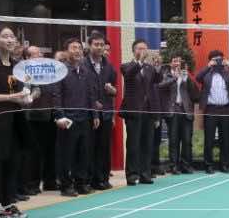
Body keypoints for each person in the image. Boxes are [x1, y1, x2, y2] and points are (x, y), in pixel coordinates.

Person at [0, 26, 30, 218]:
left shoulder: (16, 65)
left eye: (12, 37)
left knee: (13, 162)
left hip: (14, 120)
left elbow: (16, 92)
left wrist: (25, 97)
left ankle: (8, 203)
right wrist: (12, 98)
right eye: (5, 37)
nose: (10, 40)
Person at [53, 38, 99, 197]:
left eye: (79, 48)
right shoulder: (60, 71)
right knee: (67, 154)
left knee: (83, 153)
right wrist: (60, 116)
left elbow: (91, 94)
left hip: (85, 118)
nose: (78, 51)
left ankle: (81, 183)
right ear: (66, 52)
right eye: (73, 48)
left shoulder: (86, 71)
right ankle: (66, 185)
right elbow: (56, 95)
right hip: (68, 119)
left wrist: (94, 114)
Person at [120, 39, 160, 185]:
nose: (143, 51)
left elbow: (157, 82)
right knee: (133, 145)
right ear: (134, 51)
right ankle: (132, 174)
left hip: (148, 112)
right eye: (140, 48)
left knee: (147, 144)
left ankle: (145, 173)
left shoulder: (149, 68)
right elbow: (129, 74)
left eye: (145, 49)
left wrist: (157, 66)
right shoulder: (126, 66)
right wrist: (140, 62)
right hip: (133, 111)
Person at [21, 45, 58, 194]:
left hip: (50, 115)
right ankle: (32, 184)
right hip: (33, 117)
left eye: (40, 53)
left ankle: (50, 181)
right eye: (36, 54)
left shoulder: (48, 72)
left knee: (51, 150)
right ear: (27, 58)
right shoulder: (24, 72)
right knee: (35, 152)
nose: (40, 55)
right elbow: (28, 93)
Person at [83, 31, 117, 191]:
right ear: (89, 46)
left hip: (106, 113)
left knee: (104, 147)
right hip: (89, 114)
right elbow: (81, 90)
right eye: (96, 44)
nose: (99, 47)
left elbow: (115, 90)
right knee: (89, 147)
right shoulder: (83, 65)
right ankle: (89, 180)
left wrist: (112, 90)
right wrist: (92, 103)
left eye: (101, 45)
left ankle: (102, 178)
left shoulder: (108, 66)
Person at [158, 56, 199, 174]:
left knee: (187, 140)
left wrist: (188, 79)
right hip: (173, 110)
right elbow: (161, 86)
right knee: (174, 140)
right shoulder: (166, 75)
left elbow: (196, 94)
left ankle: (186, 165)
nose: (177, 63)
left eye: (179, 61)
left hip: (186, 111)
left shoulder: (186, 75)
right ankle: (173, 166)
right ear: (170, 63)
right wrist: (174, 78)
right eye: (175, 61)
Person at [197, 50, 229, 174]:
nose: (218, 62)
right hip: (211, 109)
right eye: (215, 60)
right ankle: (208, 165)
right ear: (211, 60)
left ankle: (225, 165)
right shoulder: (207, 74)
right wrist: (208, 66)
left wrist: (228, 65)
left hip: (225, 109)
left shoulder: (227, 73)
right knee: (209, 139)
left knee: (225, 138)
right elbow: (197, 77)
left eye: (220, 59)